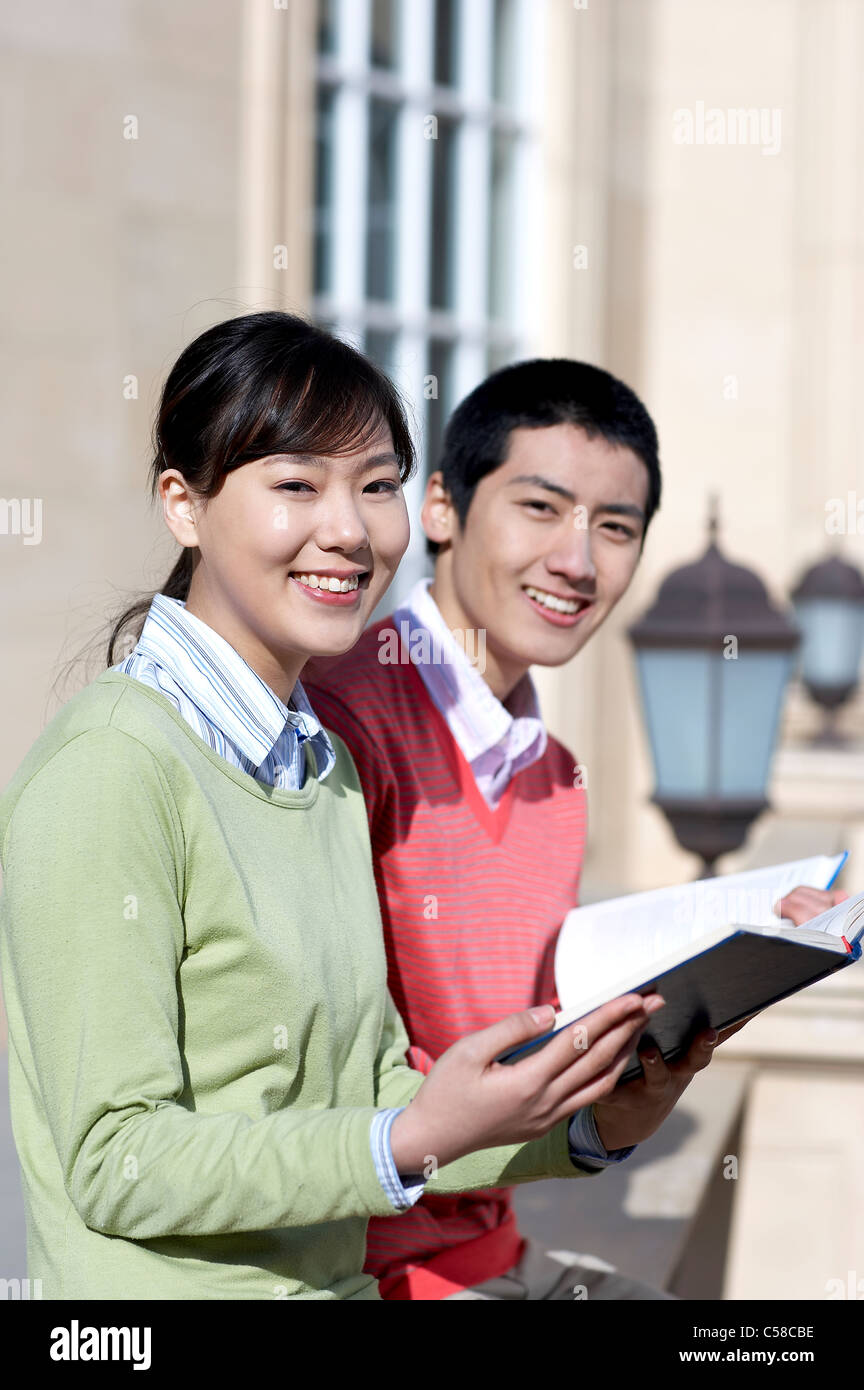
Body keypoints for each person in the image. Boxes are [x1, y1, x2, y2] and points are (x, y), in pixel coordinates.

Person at [0, 312, 681, 1301]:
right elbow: (117, 1160)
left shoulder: (315, 765)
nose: (351, 531)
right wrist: (403, 1135)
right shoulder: (112, 767)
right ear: (182, 505)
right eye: (296, 485)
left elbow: (380, 1100)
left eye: (374, 487)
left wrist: (591, 1124)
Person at [303, 357, 847, 1300]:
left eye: (616, 527)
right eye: (541, 508)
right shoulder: (340, 727)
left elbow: (524, 1062)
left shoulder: (555, 778)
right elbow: (319, 1088)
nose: (578, 561)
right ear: (441, 507)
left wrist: (663, 1040)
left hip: (498, 1258)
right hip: (360, 1278)